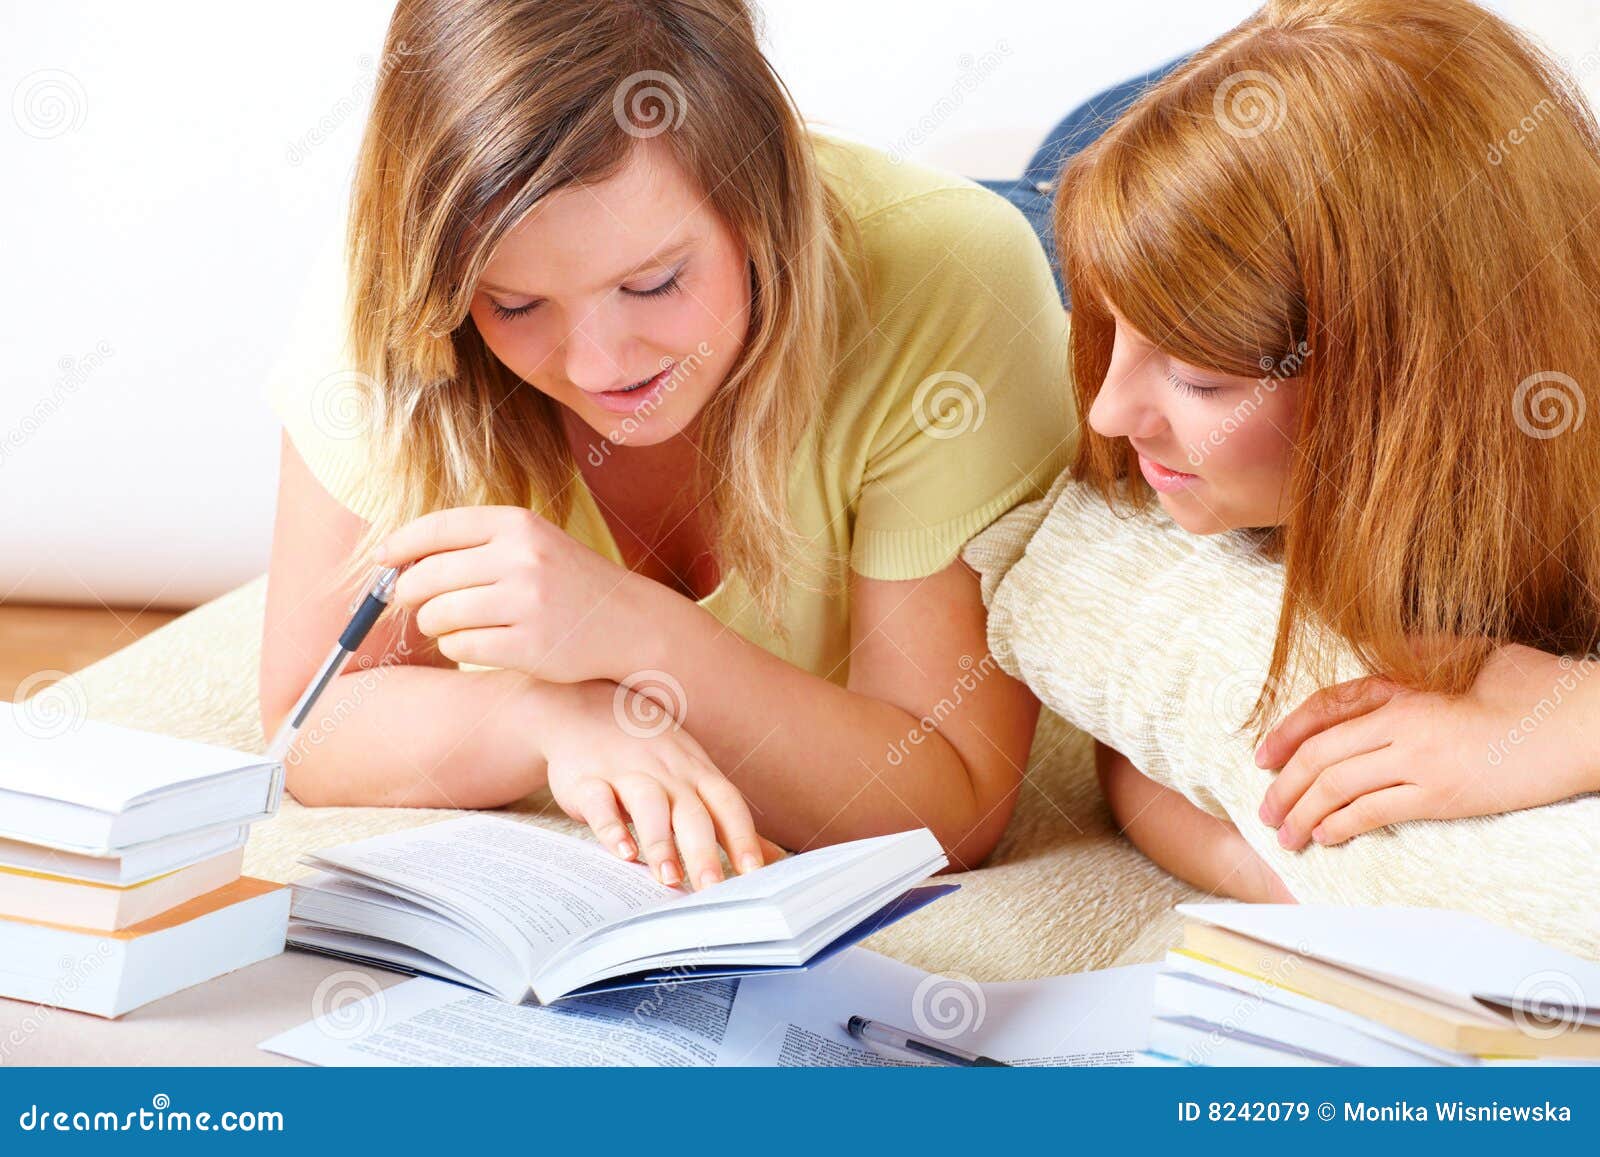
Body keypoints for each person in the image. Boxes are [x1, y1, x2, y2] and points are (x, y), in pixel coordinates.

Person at [259, 0, 1072, 892]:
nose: (599, 363)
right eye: (517, 305)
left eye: (652, 282)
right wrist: (548, 714)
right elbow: (308, 721)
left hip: (1045, 234)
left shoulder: (954, 278)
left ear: (760, 203)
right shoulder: (402, 300)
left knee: (1169, 166)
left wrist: (635, 632)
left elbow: (951, 806)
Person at [1052, 0, 1600, 900]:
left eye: (1199, 379)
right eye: (1109, 332)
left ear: (1409, 387)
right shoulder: (1135, 336)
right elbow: (1126, 760)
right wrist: (1287, 875)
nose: (1108, 412)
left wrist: (1574, 715)